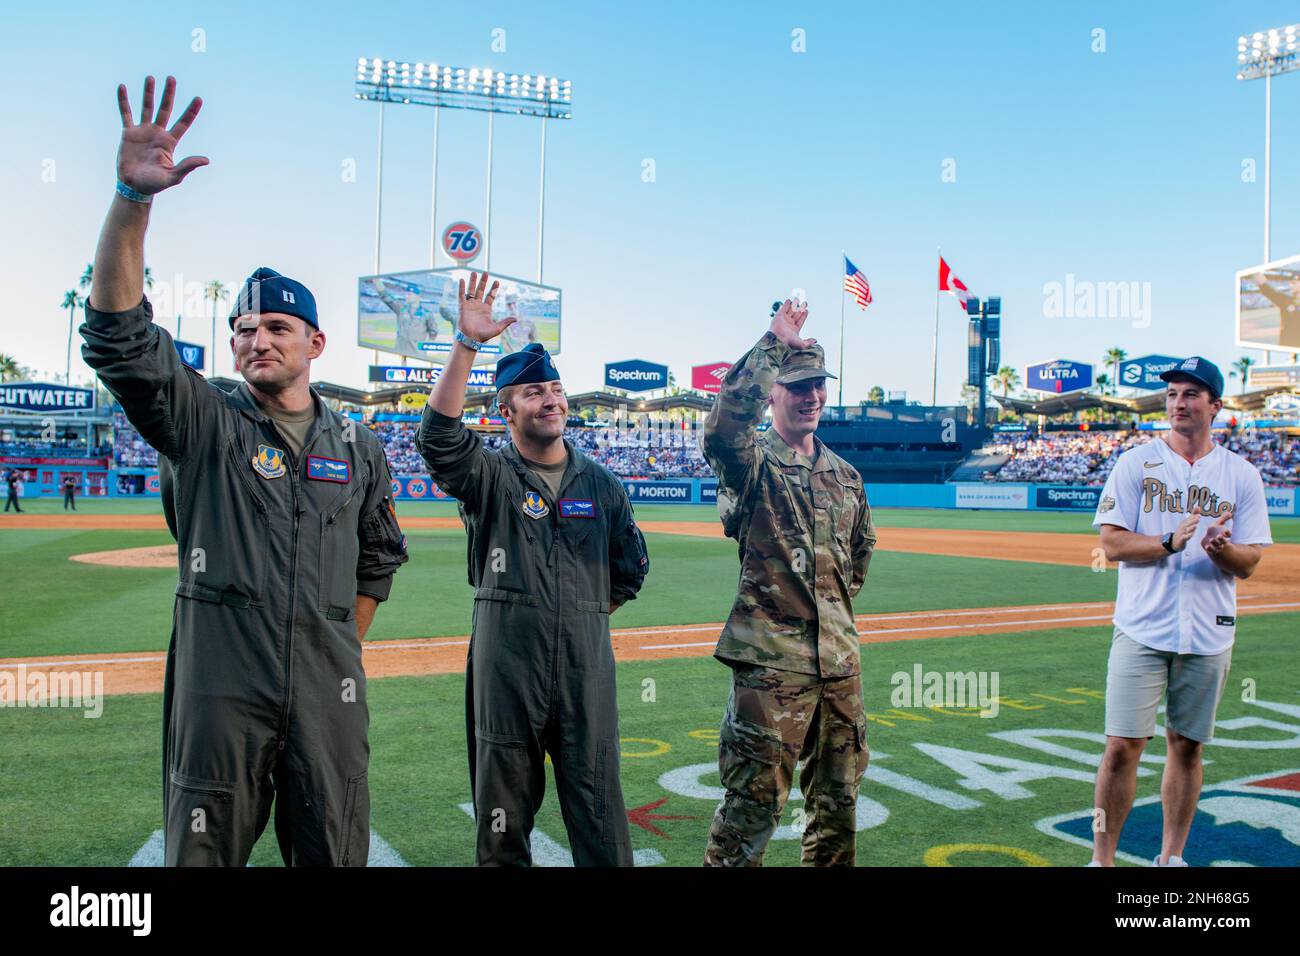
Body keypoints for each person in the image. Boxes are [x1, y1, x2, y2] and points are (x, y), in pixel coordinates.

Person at [80, 75, 409, 866]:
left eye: (278, 327)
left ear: (316, 344)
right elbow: (119, 339)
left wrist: (323, 638)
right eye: (243, 328)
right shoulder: (207, 421)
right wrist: (132, 197)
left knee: (332, 849)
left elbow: (378, 559)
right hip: (219, 691)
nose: (256, 338)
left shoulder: (358, 446)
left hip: (328, 694)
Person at [416, 271, 649, 866]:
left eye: (555, 388)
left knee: (601, 820)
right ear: (505, 408)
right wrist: (467, 345)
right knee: (502, 826)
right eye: (532, 391)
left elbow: (628, 570)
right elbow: (439, 441)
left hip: (584, 668)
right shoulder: (489, 476)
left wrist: (573, 613)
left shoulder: (601, 484)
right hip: (506, 667)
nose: (550, 399)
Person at [700, 298, 876, 867]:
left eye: (819, 385)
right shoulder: (752, 464)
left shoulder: (846, 477)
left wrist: (828, 618)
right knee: (750, 815)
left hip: (840, 669)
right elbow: (724, 432)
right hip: (773, 670)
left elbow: (858, 559)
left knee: (837, 813)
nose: (813, 396)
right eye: (798, 386)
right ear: (773, 392)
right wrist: (772, 344)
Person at [1090, 356, 1272, 867]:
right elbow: (1112, 544)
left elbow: (1251, 560)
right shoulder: (1134, 463)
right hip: (1141, 627)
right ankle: (1101, 859)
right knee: (1121, 747)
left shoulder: (1242, 474)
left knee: (1187, 748)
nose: (1178, 403)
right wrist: (1170, 542)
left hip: (1210, 632)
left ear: (1215, 405)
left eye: (1191, 393)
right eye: (1172, 394)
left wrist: (1221, 551)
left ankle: (1170, 859)